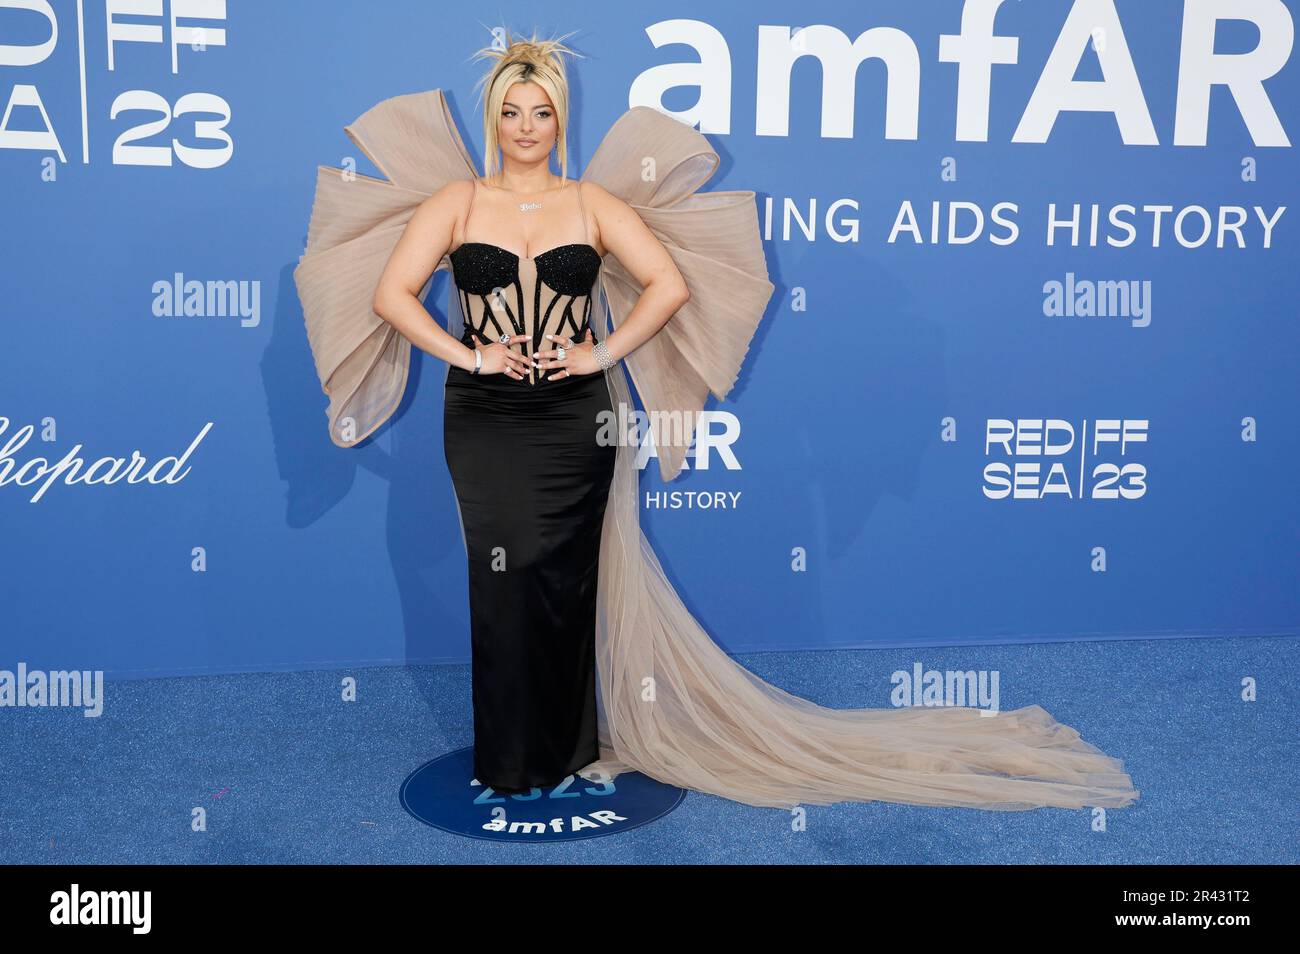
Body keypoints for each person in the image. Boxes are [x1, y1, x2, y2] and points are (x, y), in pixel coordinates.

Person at [294, 30, 1141, 812]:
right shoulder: (455, 202)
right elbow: (387, 296)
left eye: (542, 112)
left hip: (573, 421)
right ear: (494, 119)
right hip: (482, 418)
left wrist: (598, 354)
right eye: (512, 112)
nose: (526, 126)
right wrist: (470, 355)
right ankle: (509, 756)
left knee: (563, 582)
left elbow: (668, 286)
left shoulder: (591, 203)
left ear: (560, 118)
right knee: (499, 579)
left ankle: (565, 745)